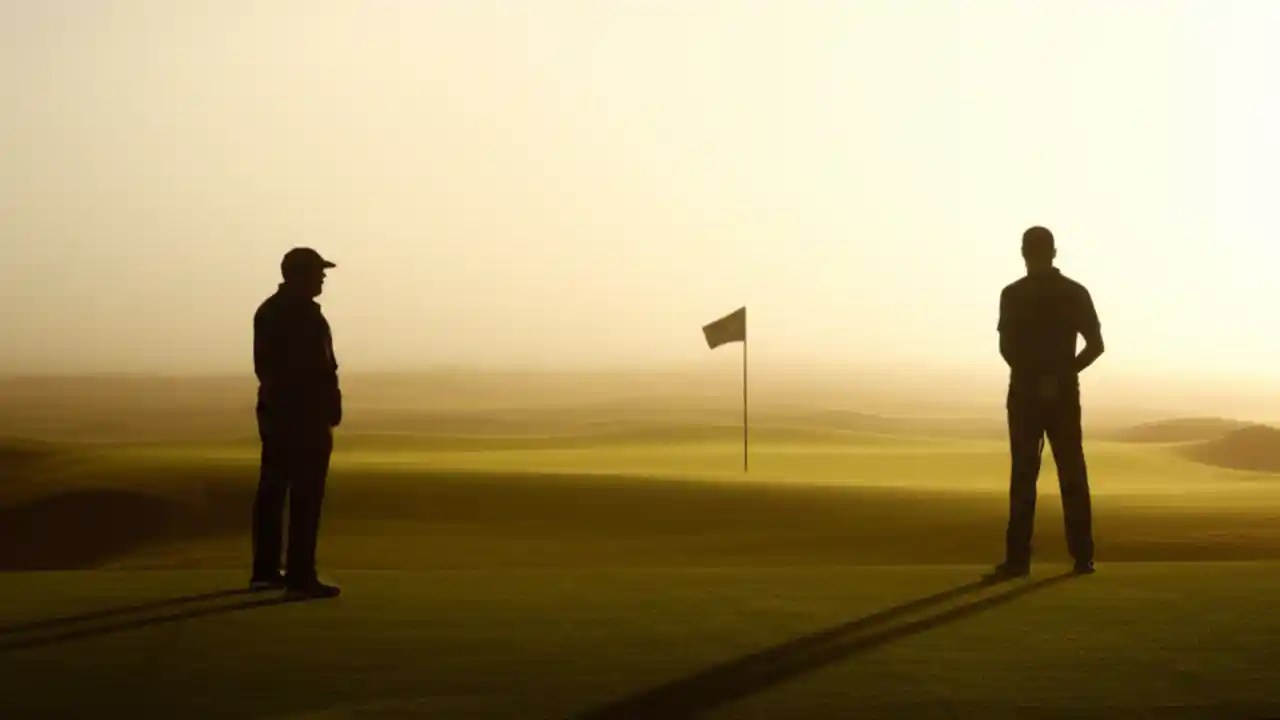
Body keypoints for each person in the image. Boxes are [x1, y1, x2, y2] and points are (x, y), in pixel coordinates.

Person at [990, 226, 1104, 580]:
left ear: (1023, 253)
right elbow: (1095, 345)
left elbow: (1007, 348)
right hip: (1061, 395)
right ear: (1054, 253)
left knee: (1024, 476)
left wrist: (1037, 376)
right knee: (1072, 473)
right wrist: (1062, 374)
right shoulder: (1073, 292)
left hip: (1025, 394)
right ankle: (1082, 557)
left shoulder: (1013, 294)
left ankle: (1018, 560)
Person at [250, 247, 343, 598]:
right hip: (303, 417)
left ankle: (266, 570)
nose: (322, 277)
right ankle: (300, 575)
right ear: (299, 274)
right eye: (317, 271)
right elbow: (316, 369)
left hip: (277, 415)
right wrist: (324, 407)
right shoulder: (302, 314)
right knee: (305, 495)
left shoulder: (270, 311)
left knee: (273, 490)